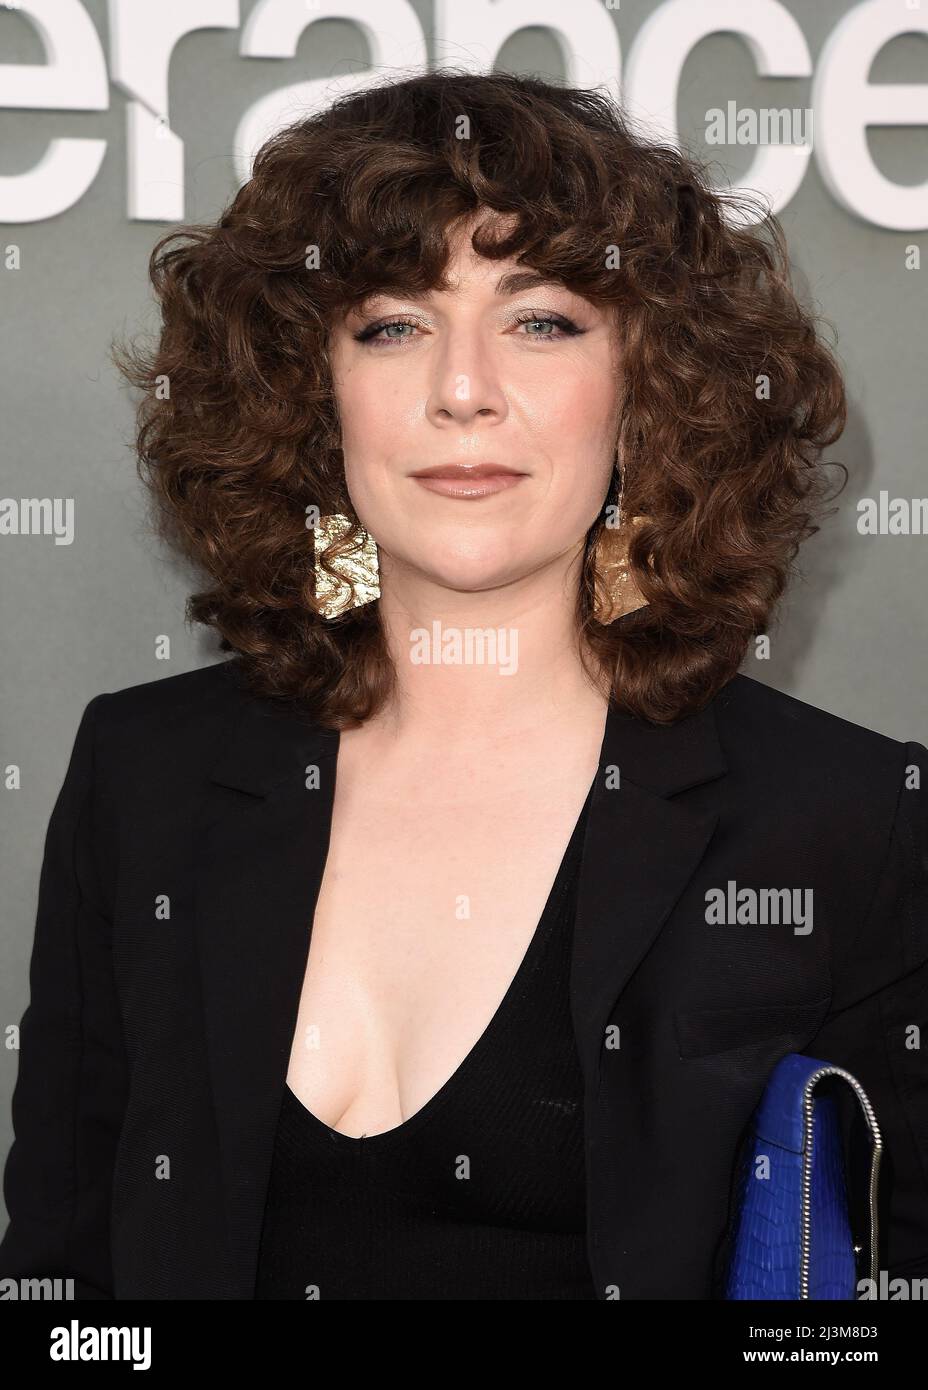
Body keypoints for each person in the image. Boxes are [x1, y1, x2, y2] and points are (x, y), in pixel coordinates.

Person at [1, 69, 926, 1301]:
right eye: (392, 323)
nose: (462, 387)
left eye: (540, 319)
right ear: (308, 395)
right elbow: (64, 1296)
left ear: (648, 389)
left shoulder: (851, 818)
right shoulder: (144, 772)